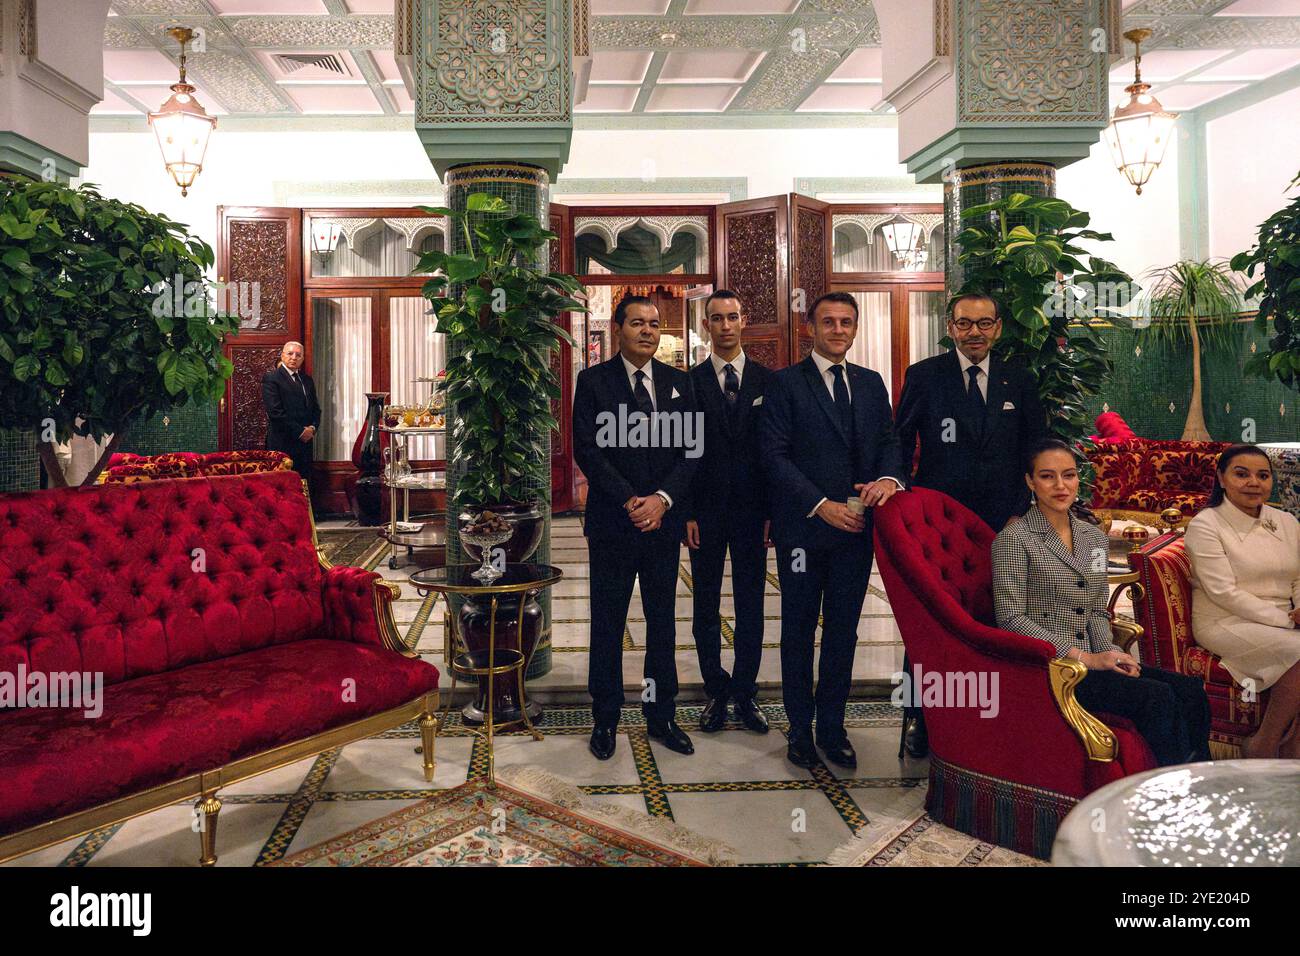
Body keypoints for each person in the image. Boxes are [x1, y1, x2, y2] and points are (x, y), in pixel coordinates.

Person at [992, 438, 1211, 767]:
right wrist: (1087, 658)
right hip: (1052, 667)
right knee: (1158, 697)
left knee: (1190, 691)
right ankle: (1167, 797)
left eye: (1068, 475)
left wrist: (1112, 655)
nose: (1060, 485)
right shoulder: (1014, 539)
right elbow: (1011, 619)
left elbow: (1095, 607)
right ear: (1030, 482)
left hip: (1095, 658)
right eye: (1047, 476)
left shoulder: (1093, 538)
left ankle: (1200, 784)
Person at [894, 292, 1046, 756]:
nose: (974, 332)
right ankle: (920, 718)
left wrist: (1023, 510)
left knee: (1001, 616)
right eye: (965, 324)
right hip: (941, 528)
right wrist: (905, 506)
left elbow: (1036, 448)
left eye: (984, 324)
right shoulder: (924, 376)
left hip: (1007, 522)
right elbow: (899, 446)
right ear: (950, 327)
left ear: (997, 327)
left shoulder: (1019, 379)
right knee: (934, 619)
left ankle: (993, 715)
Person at [761, 292, 907, 769]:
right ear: (811, 328)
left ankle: (833, 727)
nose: (838, 330)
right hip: (804, 530)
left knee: (844, 632)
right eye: (829, 322)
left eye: (846, 322)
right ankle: (800, 732)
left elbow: (889, 441)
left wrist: (888, 478)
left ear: (855, 327)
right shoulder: (785, 384)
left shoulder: (870, 383)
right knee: (799, 632)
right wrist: (819, 505)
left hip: (855, 531)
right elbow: (774, 457)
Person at [572, 295, 700, 761]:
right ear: (618, 327)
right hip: (614, 524)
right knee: (608, 622)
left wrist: (662, 501)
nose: (647, 331)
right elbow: (588, 449)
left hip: (662, 526)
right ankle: (604, 717)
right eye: (637, 323)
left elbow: (692, 451)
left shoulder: (679, 384)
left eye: (654, 324)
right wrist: (630, 500)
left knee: (661, 622)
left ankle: (660, 713)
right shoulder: (594, 382)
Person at [684, 290, 773, 735]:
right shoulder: (690, 383)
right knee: (706, 603)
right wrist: (686, 513)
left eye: (732, 317)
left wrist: (774, 510)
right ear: (706, 324)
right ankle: (715, 690)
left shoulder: (768, 381)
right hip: (705, 513)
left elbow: (776, 453)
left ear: (744, 321)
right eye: (716, 318)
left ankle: (745, 690)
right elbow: (682, 452)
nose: (725, 325)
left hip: (754, 514)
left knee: (751, 603)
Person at [1184, 444, 1300, 759]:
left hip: (1281, 620)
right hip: (1224, 620)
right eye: (1241, 474)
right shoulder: (1206, 525)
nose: (1253, 482)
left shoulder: (1285, 521)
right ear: (1221, 478)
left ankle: (1293, 745)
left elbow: (1297, 577)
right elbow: (1223, 592)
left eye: (1263, 475)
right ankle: (1263, 742)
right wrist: (1289, 621)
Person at [261, 341, 321, 485]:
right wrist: (300, 431)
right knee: (281, 485)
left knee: (303, 484)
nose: (294, 357)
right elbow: (275, 413)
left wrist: (312, 428)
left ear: (302, 359)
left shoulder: (307, 380)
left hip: (305, 444)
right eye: (290, 353)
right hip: (282, 442)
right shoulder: (272, 378)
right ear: (282, 356)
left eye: (298, 355)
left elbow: (316, 409)